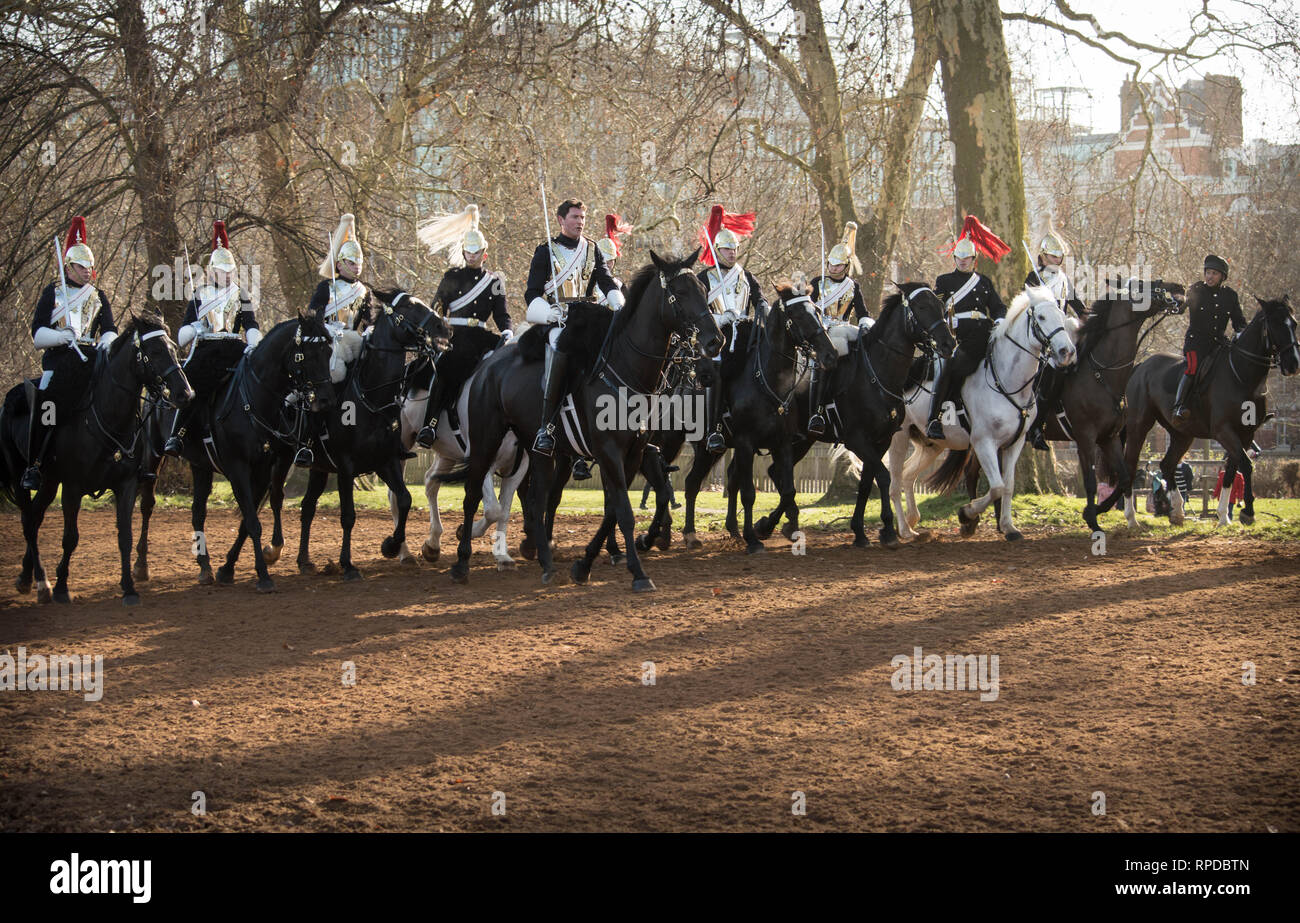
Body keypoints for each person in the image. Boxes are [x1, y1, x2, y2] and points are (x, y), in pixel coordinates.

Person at [525, 199, 625, 476]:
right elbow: (532, 292)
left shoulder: (592, 249)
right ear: (561, 219)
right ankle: (547, 426)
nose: (580, 221)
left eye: (583, 217)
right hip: (559, 319)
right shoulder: (546, 250)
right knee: (558, 346)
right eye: (574, 217)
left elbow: (605, 280)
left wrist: (619, 304)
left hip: (589, 319)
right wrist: (548, 313)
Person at [21, 216, 117, 490]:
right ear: (69, 267)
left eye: (89, 267)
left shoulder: (98, 296)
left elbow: (109, 328)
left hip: (91, 361)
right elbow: (38, 334)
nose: (87, 271)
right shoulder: (53, 292)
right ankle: (35, 464)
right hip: (60, 362)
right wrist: (60, 336)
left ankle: (122, 457)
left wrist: (106, 342)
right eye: (81, 266)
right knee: (47, 407)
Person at [414, 205, 513, 449]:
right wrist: (438, 333)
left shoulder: (494, 281)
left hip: (481, 335)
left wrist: (508, 330)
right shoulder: (452, 276)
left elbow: (501, 314)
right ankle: (431, 423)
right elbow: (437, 308)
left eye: (476, 252)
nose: (471, 256)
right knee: (447, 369)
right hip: (455, 336)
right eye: (468, 252)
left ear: (484, 253)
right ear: (463, 252)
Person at [163, 220, 260, 456]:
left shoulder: (241, 295)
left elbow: (250, 325)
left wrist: (254, 345)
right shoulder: (200, 294)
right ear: (211, 271)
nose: (227, 275)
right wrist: (197, 327)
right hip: (207, 349)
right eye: (222, 271)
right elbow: (183, 334)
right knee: (191, 385)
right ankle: (178, 434)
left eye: (230, 271)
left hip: (235, 348)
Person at [925, 216, 1010, 441]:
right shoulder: (944, 281)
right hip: (956, 334)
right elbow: (936, 307)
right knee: (951, 365)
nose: (963, 262)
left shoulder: (984, 283)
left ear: (974, 259)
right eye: (959, 258)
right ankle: (935, 417)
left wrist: (1000, 320)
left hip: (982, 330)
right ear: (954, 258)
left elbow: (998, 307)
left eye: (967, 258)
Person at [300, 214, 372, 466]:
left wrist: (371, 330)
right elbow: (313, 316)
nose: (356, 267)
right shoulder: (326, 288)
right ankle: (309, 440)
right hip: (329, 344)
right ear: (340, 264)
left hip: (355, 342)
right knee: (329, 380)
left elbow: (367, 320)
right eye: (352, 263)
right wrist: (328, 329)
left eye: (359, 263)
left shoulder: (364, 291)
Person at [697, 204, 765, 453]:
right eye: (727, 248)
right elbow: (697, 311)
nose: (732, 252)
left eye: (735, 248)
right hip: (716, 336)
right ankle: (714, 428)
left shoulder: (746, 275)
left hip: (744, 334)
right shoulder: (704, 278)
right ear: (717, 249)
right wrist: (718, 317)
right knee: (718, 367)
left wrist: (764, 309)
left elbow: (759, 299)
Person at [1024, 228, 1088, 450]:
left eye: (1059, 256)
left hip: (1060, 335)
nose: (1057, 260)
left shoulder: (1064, 279)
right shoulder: (1034, 277)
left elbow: (1078, 306)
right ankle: (1035, 427)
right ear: (1043, 256)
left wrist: (1092, 318)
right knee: (1048, 379)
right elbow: (1026, 308)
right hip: (1040, 336)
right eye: (1053, 256)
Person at [807, 220, 869, 436]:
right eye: (831, 264)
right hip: (822, 330)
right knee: (830, 354)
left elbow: (862, 313)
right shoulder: (817, 282)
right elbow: (808, 308)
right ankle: (818, 409)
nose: (833, 268)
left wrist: (866, 325)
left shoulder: (853, 287)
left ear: (846, 266)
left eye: (837, 265)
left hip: (843, 327)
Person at [1172, 254, 1245, 421]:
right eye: (1208, 272)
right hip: (1196, 343)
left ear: (1222, 277)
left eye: (1214, 273)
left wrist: (1242, 333)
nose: (1210, 276)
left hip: (1218, 344)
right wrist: (1177, 301)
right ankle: (1179, 405)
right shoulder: (1195, 290)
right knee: (1193, 366)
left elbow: (1239, 322)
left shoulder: (1230, 296)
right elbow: (1182, 305)